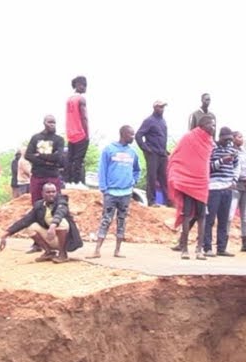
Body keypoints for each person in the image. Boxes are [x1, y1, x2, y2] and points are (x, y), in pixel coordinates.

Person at [167, 114, 215, 260]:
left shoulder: (209, 141)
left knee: (202, 217)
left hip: (202, 182)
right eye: (211, 125)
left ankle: (199, 250)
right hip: (188, 182)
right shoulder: (188, 137)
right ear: (203, 125)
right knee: (187, 216)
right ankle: (185, 249)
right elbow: (175, 156)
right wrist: (177, 176)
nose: (213, 128)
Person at [90, 125, 141, 258]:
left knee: (122, 220)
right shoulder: (109, 149)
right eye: (131, 135)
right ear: (123, 134)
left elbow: (137, 170)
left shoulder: (133, 152)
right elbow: (102, 169)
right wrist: (104, 188)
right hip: (111, 192)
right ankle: (97, 250)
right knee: (106, 219)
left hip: (126, 192)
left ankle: (117, 250)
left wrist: (133, 181)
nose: (133, 137)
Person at [0, 183, 82, 262]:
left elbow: (60, 212)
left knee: (62, 222)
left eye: (53, 192)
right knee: (30, 227)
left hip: (65, 240)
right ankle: (48, 252)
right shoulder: (39, 205)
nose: (51, 194)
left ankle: (63, 254)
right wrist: (6, 233)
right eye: (48, 192)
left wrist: (53, 226)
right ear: (42, 193)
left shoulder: (61, 201)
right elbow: (25, 220)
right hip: (50, 237)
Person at [204, 126, 240, 257]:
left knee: (224, 220)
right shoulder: (212, 148)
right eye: (226, 139)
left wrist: (234, 180)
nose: (228, 142)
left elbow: (237, 166)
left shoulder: (232, 149)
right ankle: (207, 247)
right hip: (214, 188)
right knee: (210, 219)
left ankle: (221, 248)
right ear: (220, 137)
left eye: (230, 139)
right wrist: (221, 161)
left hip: (227, 188)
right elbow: (207, 167)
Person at [25, 115, 66, 202]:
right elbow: (28, 155)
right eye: (49, 122)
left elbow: (58, 157)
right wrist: (48, 162)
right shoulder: (35, 138)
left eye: (54, 122)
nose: (52, 125)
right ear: (44, 123)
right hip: (37, 175)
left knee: (56, 202)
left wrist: (39, 155)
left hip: (53, 175)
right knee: (36, 203)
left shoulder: (59, 139)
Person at [136, 100, 169, 206]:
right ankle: (151, 201)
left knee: (164, 177)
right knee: (152, 177)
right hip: (153, 153)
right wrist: (146, 148)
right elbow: (138, 135)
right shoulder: (149, 120)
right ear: (154, 108)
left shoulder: (163, 121)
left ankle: (168, 201)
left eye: (163, 107)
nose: (162, 109)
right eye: (160, 107)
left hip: (162, 153)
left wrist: (165, 149)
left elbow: (161, 137)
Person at [231, 130, 246, 252]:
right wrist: (245, 178)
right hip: (235, 187)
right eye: (240, 137)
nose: (242, 139)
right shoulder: (230, 151)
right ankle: (222, 243)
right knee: (230, 216)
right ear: (233, 138)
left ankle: (245, 244)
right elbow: (231, 169)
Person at [65, 75, 89, 186]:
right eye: (84, 85)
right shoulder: (81, 99)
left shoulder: (69, 99)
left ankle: (68, 181)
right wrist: (87, 133)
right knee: (79, 159)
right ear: (79, 85)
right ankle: (77, 181)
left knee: (70, 158)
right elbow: (84, 117)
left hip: (70, 133)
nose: (85, 88)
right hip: (80, 133)